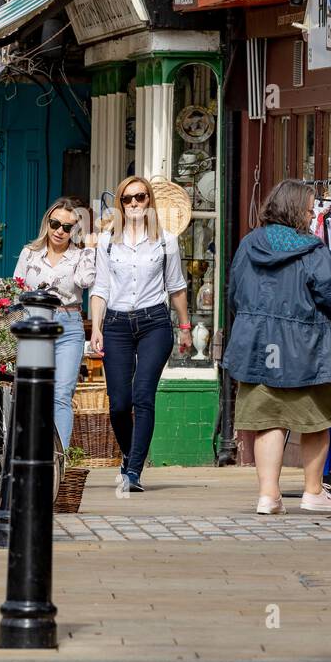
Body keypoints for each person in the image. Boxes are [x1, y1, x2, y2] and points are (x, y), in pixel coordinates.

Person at [223, 178, 331, 515]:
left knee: (268, 420)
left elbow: (233, 294)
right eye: (309, 211)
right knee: (315, 420)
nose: (312, 218)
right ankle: (312, 493)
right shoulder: (313, 249)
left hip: (257, 346)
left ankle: (268, 496)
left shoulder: (250, 244)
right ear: (296, 211)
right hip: (306, 349)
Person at [90, 176, 192, 493]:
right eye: (128, 199)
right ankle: (129, 455)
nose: (134, 203)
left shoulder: (166, 240)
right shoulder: (107, 241)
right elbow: (100, 288)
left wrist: (185, 326)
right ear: (120, 203)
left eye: (141, 197)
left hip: (154, 323)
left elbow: (176, 287)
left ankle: (133, 471)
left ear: (150, 200)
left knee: (143, 396)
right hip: (116, 324)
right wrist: (96, 327)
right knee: (119, 403)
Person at [13, 197, 97, 450]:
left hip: (68, 325)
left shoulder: (80, 255)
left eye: (68, 227)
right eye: (55, 223)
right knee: (33, 393)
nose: (60, 231)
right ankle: (29, 452)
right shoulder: (30, 253)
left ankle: (58, 459)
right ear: (47, 223)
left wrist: (90, 249)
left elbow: (86, 280)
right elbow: (15, 288)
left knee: (61, 394)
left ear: (75, 231)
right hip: (33, 324)